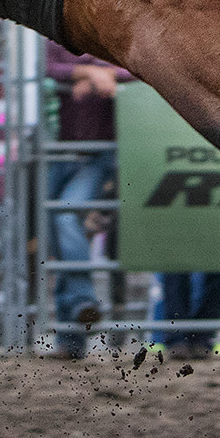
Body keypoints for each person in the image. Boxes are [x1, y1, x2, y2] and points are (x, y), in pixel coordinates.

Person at [44, 41, 128, 359]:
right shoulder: (58, 40)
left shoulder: (108, 40)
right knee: (61, 235)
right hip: (65, 153)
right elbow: (45, 67)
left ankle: (83, 303)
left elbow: (139, 70)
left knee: (66, 215)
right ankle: (72, 337)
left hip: (96, 156)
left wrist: (102, 74)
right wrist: (89, 72)